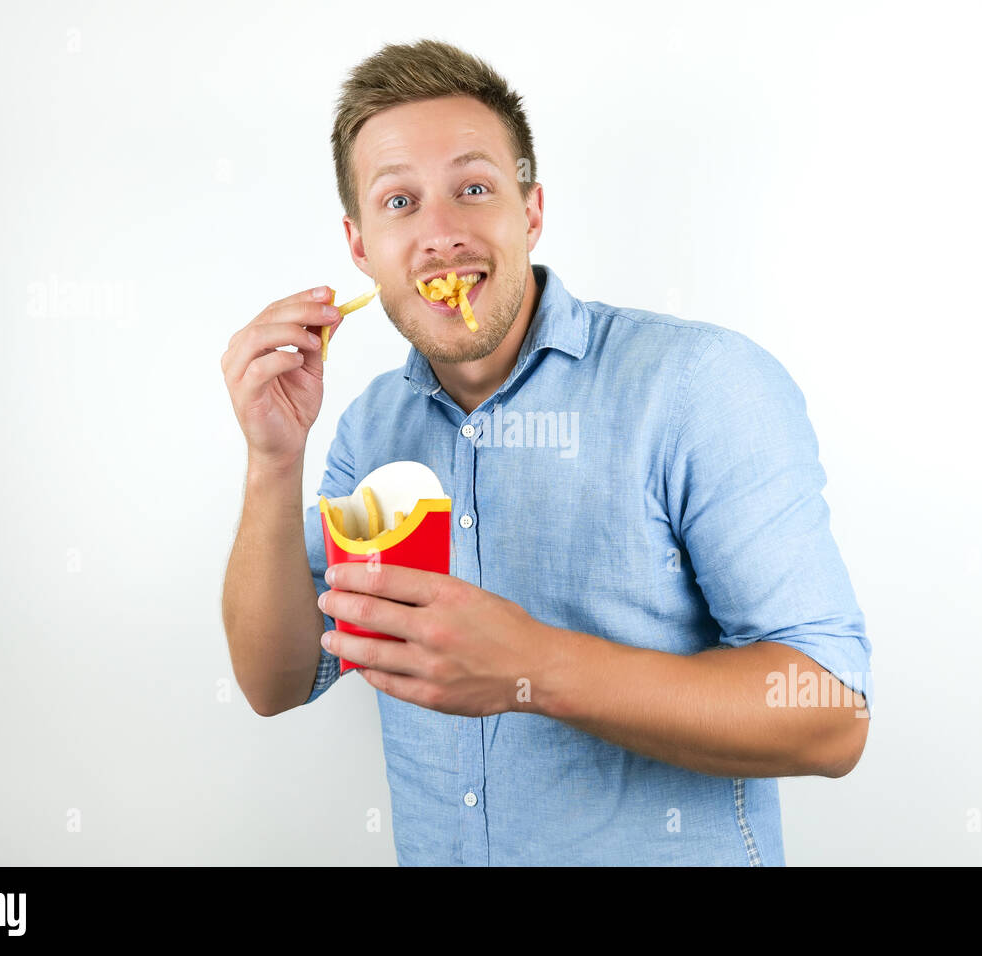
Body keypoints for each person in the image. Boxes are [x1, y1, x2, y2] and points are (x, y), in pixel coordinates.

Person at [220, 38, 873, 866]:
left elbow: (833, 714)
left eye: (474, 188)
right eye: (399, 203)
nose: (441, 234)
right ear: (359, 248)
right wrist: (272, 463)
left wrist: (533, 666)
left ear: (529, 210)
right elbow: (276, 684)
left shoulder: (701, 385)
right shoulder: (368, 429)